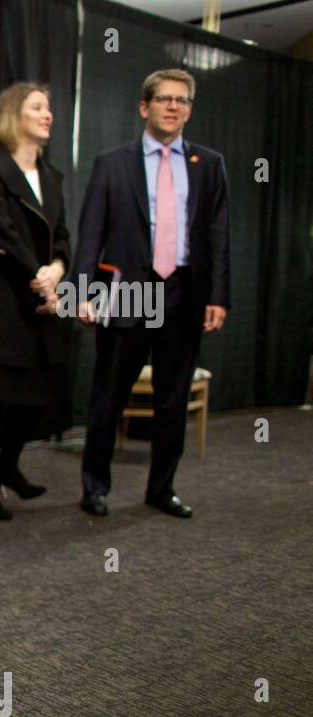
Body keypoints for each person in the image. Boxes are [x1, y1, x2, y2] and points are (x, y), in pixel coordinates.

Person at [73, 68, 231, 518]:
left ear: (189, 110)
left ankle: (162, 488)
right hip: (127, 292)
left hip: (183, 292)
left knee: (172, 399)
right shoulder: (112, 163)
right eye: (164, 99)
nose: (173, 106)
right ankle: (95, 487)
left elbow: (219, 236)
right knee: (109, 395)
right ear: (145, 107)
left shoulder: (210, 164)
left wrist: (218, 296)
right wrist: (82, 294)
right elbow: (90, 234)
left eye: (181, 100)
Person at [0, 83, 71, 520]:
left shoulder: (54, 176)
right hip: (0, 301)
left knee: (37, 395)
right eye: (37, 107)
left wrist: (58, 270)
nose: (48, 115)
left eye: (49, 108)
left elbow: (62, 236)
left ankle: (7, 466)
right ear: (13, 115)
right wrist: (40, 278)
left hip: (43, 299)